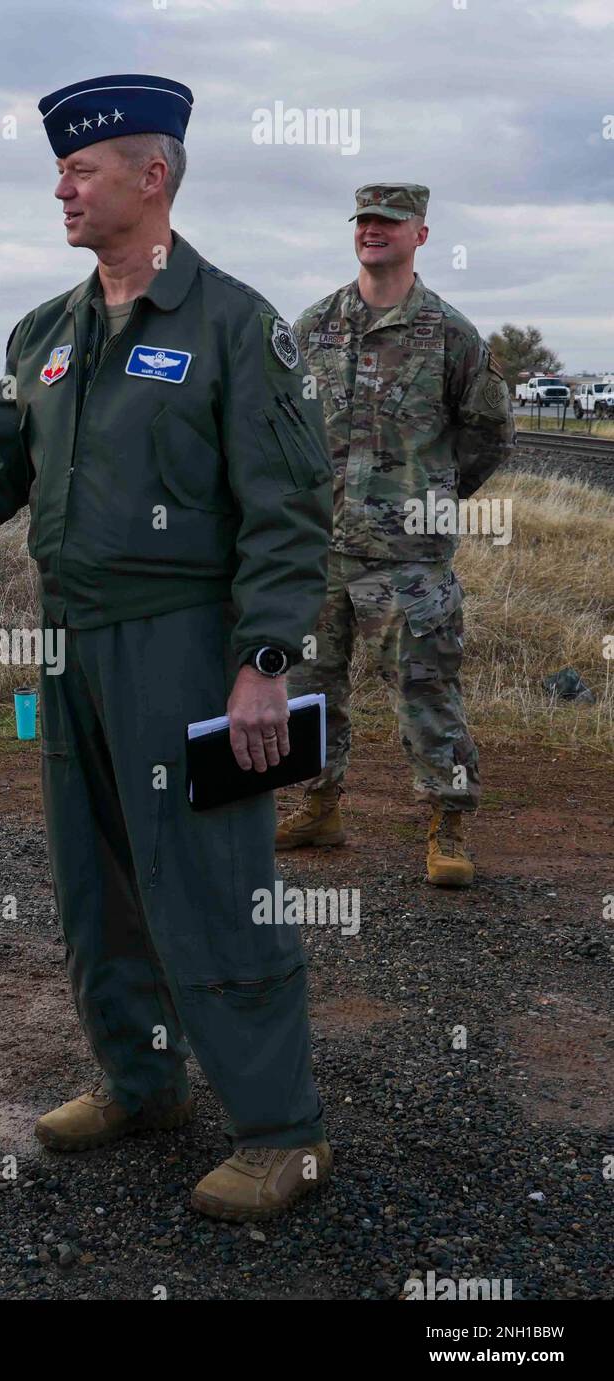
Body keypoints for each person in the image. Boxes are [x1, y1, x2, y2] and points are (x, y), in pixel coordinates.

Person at [0, 74, 337, 1221]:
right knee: (97, 880)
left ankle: (284, 1128)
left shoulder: (231, 325)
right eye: (59, 171)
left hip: (184, 645)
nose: (61, 188)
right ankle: (142, 1076)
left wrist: (264, 665)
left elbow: (286, 512)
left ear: (151, 177)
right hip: (70, 641)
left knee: (214, 882)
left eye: (82, 169)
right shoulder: (46, 334)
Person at [282, 184, 515, 887]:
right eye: (364, 222)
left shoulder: (449, 334)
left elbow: (488, 436)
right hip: (317, 548)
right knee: (305, 686)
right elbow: (279, 426)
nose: (372, 232)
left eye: (388, 223)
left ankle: (446, 825)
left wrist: (429, 499)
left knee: (424, 689)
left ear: (420, 233)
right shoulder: (312, 327)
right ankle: (317, 805)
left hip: (409, 562)